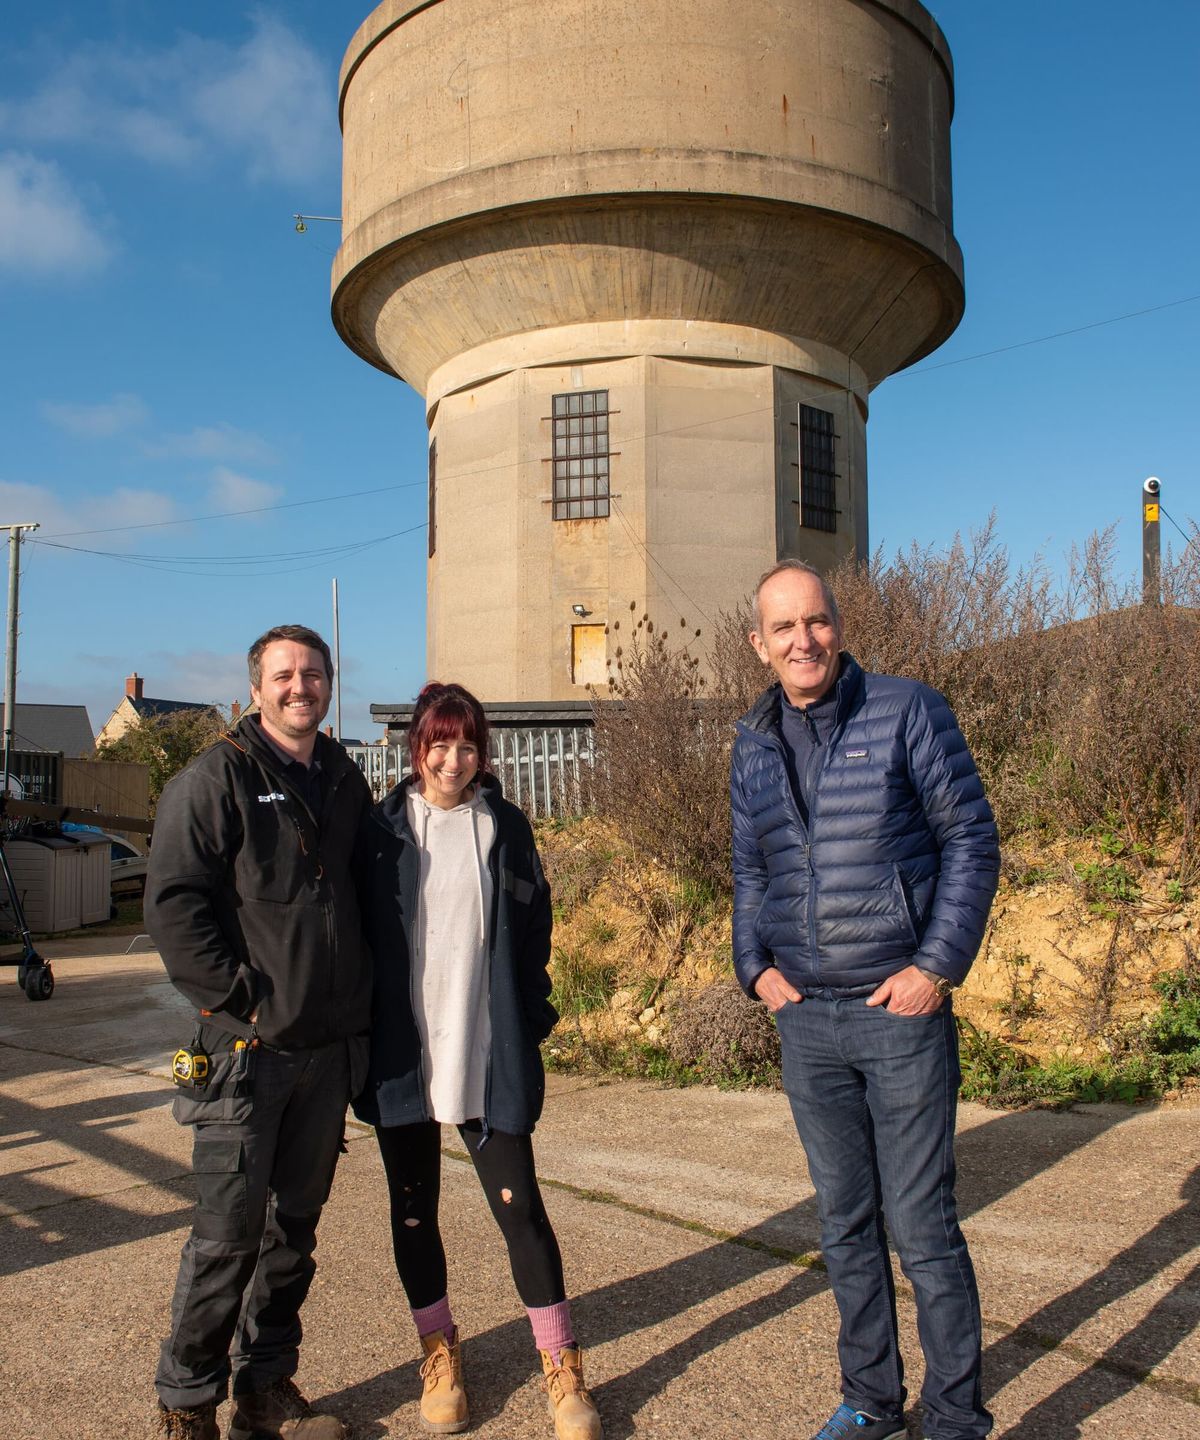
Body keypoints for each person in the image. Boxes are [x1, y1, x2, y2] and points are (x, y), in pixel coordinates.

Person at [731, 560, 1000, 1440]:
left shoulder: (907, 709)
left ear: (838, 626)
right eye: (784, 629)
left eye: (816, 621)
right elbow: (749, 869)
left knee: (922, 1229)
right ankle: (872, 1402)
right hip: (807, 1021)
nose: (802, 640)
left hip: (900, 1016)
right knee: (845, 1227)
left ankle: (956, 1417)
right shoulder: (753, 742)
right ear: (759, 645)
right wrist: (754, 968)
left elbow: (971, 838)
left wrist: (935, 967)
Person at [354, 682, 602, 1440]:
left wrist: (531, 1018)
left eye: (467, 745)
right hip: (405, 1053)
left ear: (482, 753)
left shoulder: (505, 827)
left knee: (520, 1207)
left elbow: (534, 931)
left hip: (485, 1048)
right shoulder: (382, 831)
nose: (453, 759)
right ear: (416, 748)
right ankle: (439, 1350)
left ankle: (561, 1367)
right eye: (440, 743)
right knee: (413, 1210)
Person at [146, 624, 372, 1440]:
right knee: (224, 1239)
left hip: (325, 1052)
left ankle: (267, 1385)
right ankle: (186, 1403)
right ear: (256, 689)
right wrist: (238, 1000)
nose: (300, 687)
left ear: (329, 684)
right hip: (246, 1056)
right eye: (284, 675)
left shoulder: (342, 778)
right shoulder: (218, 777)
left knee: (293, 1235)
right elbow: (174, 904)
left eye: (313, 674)